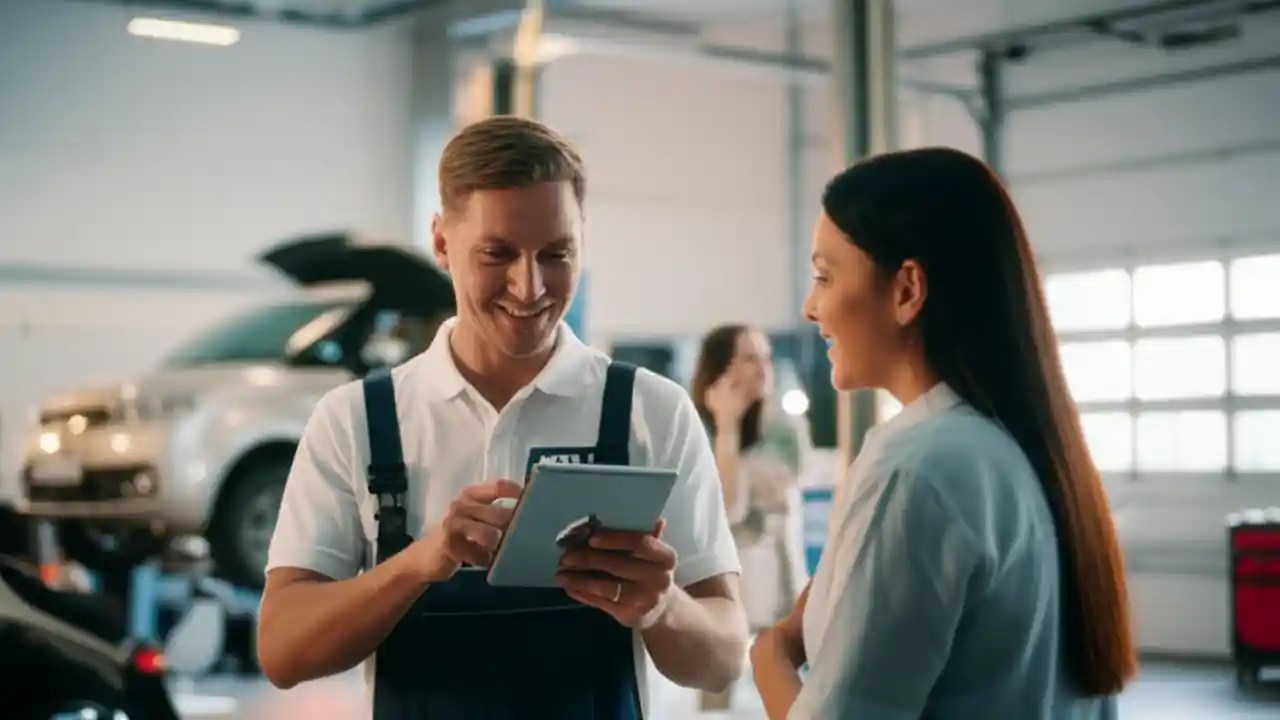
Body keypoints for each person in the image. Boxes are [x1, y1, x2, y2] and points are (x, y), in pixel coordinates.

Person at [256, 115, 748, 719]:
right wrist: (418, 564)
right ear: (442, 243)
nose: (529, 286)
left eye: (556, 254)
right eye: (498, 253)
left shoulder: (652, 413)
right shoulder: (355, 421)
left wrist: (662, 607)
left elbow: (724, 658)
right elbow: (283, 651)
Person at [750, 147, 1136, 720]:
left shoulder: (915, 468)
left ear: (907, 290)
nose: (811, 307)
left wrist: (771, 655)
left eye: (825, 276)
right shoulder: (1030, 456)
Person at [692, 325, 808, 632]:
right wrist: (727, 425)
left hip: (783, 590)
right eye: (750, 358)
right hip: (727, 598)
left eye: (767, 358)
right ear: (721, 368)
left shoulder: (783, 431)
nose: (763, 368)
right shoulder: (697, 431)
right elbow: (728, 508)